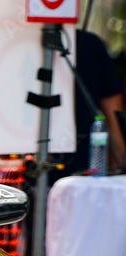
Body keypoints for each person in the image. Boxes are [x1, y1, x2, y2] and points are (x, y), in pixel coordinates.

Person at [53, 29, 125, 175]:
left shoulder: (90, 44)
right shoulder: (90, 43)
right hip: (81, 175)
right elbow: (113, 114)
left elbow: (112, 114)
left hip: (83, 173)